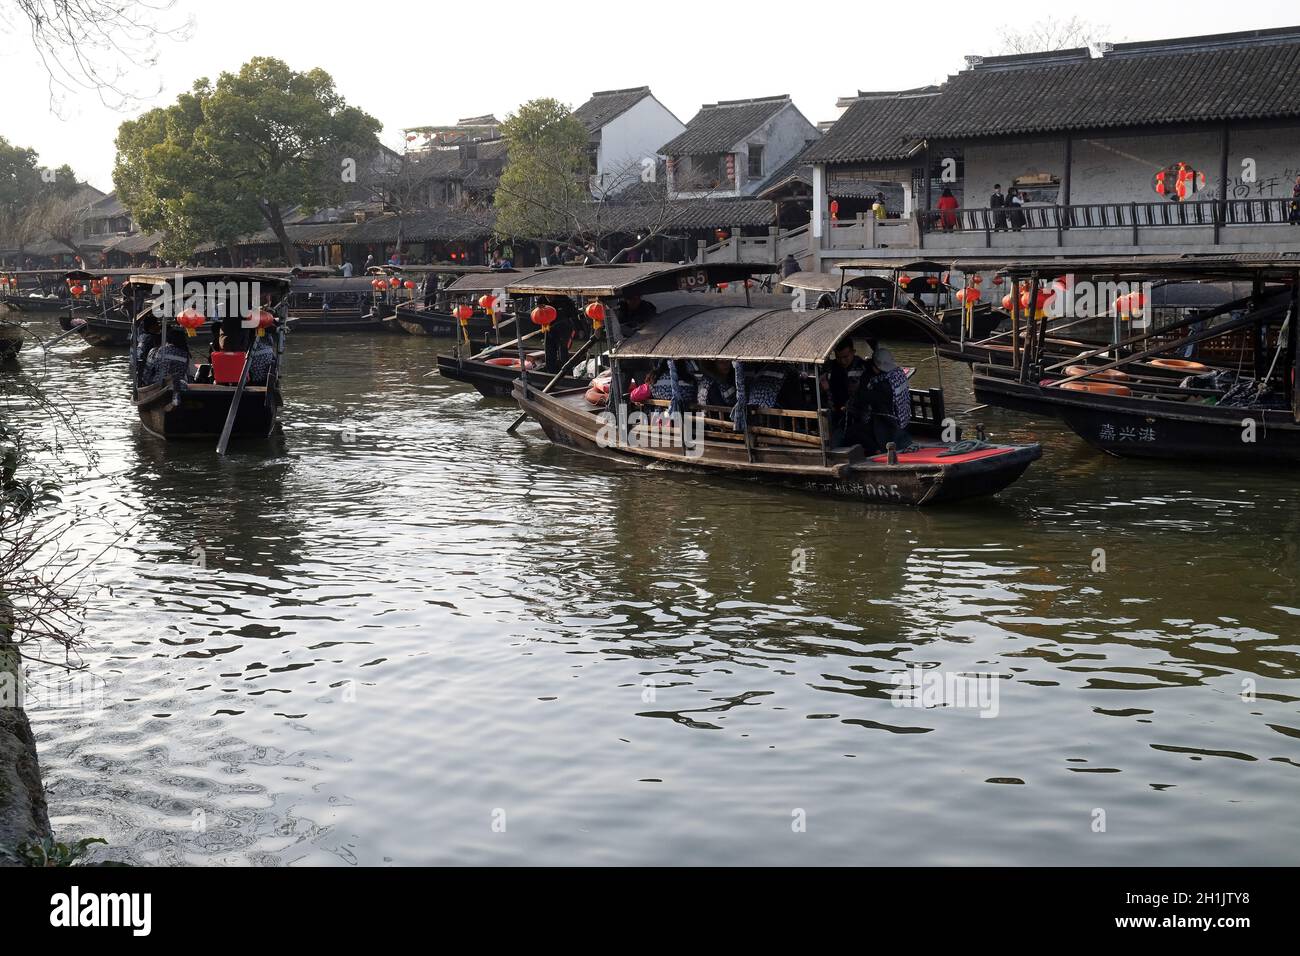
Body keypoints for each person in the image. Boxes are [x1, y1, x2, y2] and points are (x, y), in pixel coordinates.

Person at [820, 337, 869, 446]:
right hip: (835, 412)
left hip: (858, 414)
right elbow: (825, 395)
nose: (842, 361)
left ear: (853, 352)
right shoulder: (830, 368)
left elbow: (866, 396)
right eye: (838, 357)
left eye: (846, 357)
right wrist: (826, 389)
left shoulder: (862, 367)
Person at [541, 295, 578, 373]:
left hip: (564, 329)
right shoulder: (542, 299)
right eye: (546, 296)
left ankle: (566, 373)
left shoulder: (565, 300)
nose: (548, 297)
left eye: (550, 296)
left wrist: (579, 328)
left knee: (563, 352)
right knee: (549, 352)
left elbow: (574, 314)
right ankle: (550, 372)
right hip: (549, 329)